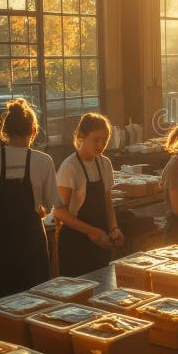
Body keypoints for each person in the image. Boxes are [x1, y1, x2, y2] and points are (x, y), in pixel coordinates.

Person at [0, 99, 58, 301]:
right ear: (34, 131)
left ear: (4, 132)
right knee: (35, 306)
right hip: (31, 246)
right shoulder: (44, 161)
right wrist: (39, 212)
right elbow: (50, 205)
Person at [54, 113, 124, 277]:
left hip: (100, 240)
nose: (101, 144)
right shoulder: (70, 167)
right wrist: (90, 231)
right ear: (81, 137)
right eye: (96, 139)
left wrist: (114, 228)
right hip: (75, 243)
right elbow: (59, 212)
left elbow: (107, 202)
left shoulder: (104, 163)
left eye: (105, 139)